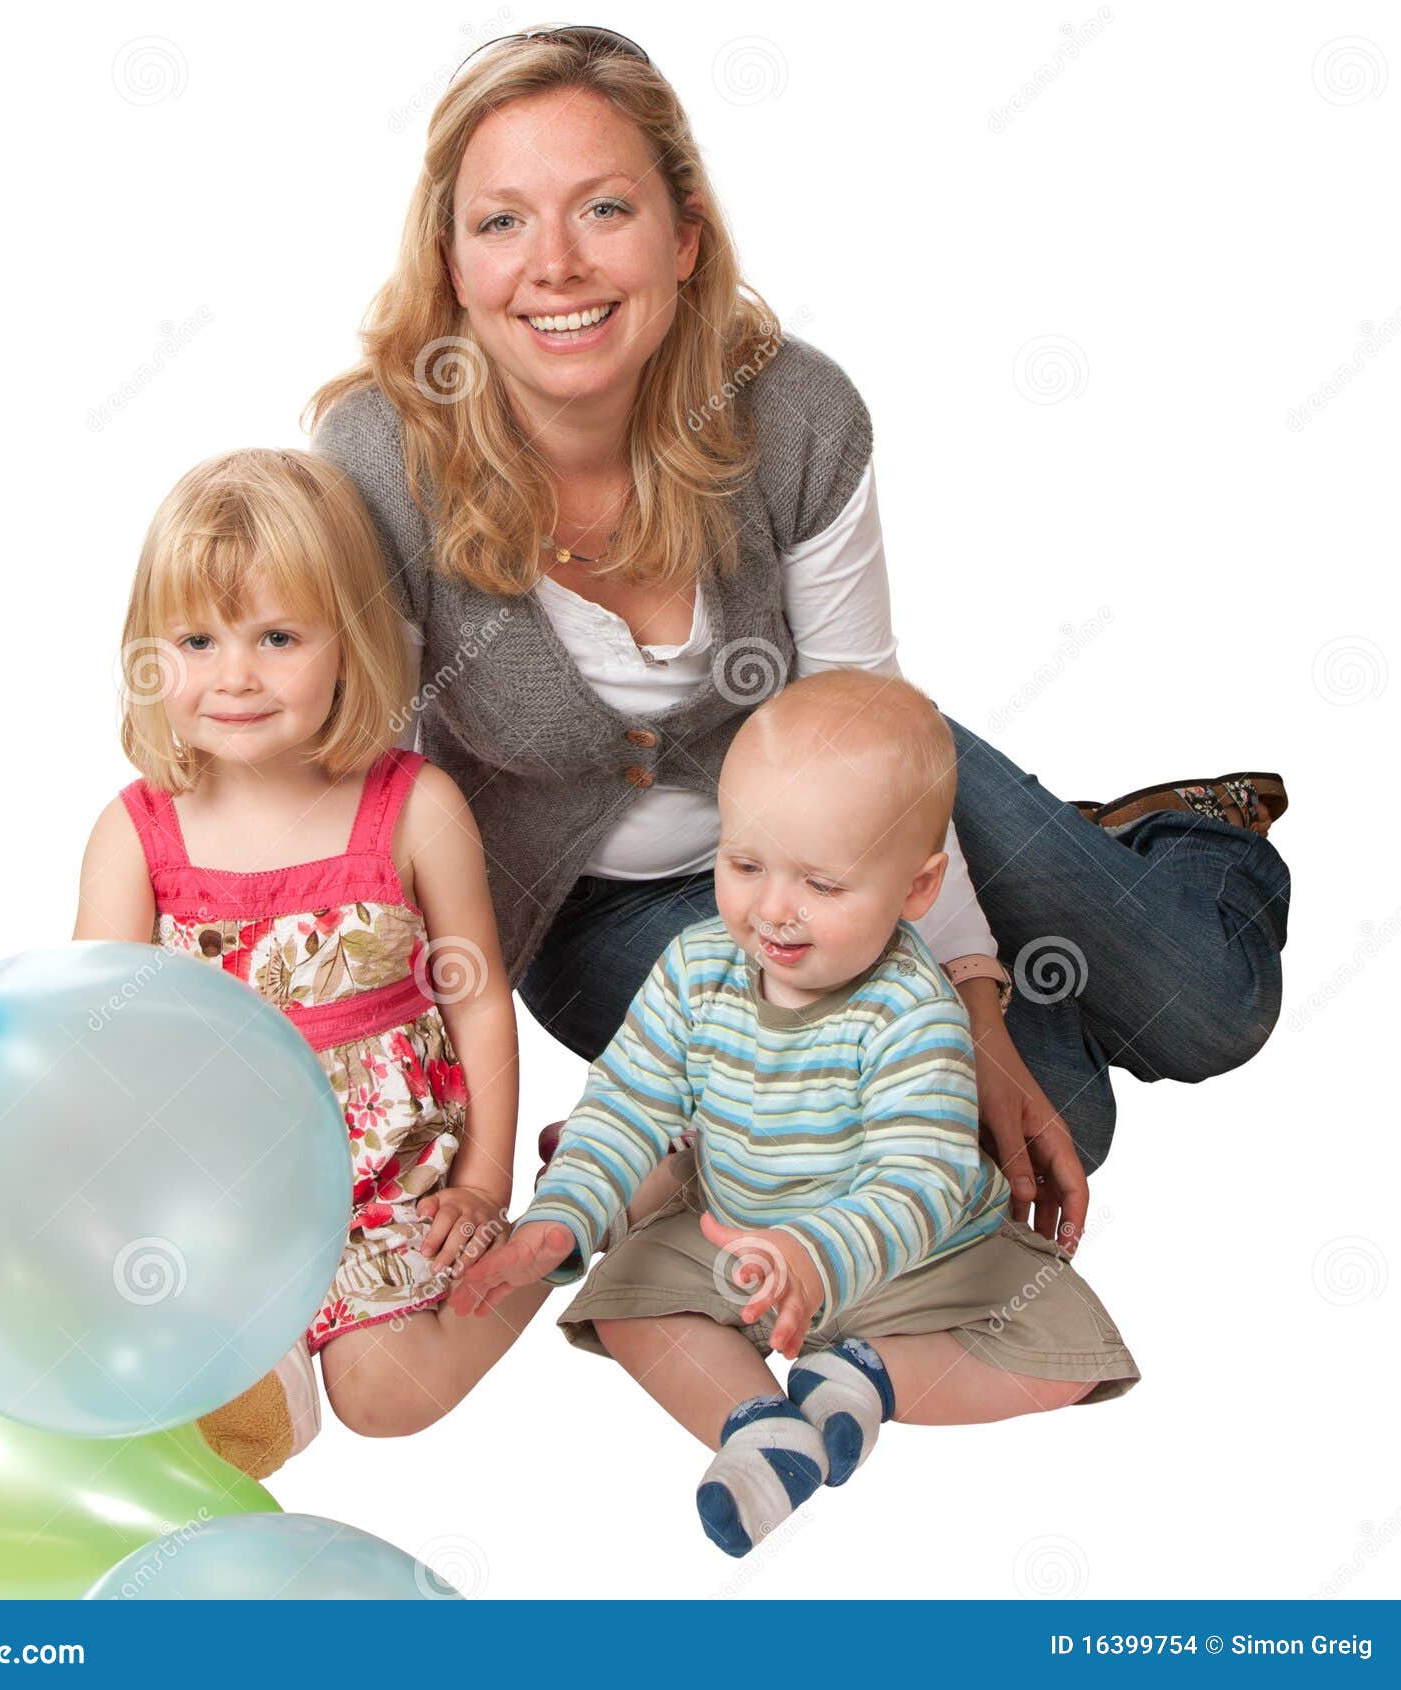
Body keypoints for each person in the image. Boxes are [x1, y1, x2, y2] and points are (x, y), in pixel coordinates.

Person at [307, 26, 1291, 1253]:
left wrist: (975, 997)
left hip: (862, 780)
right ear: (452, 261)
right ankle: (1051, 906)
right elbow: (365, 805)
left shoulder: (790, 412)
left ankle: (1172, 840)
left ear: (683, 238)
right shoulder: (378, 458)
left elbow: (865, 704)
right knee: (1049, 1124)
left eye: (603, 209)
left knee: (1207, 1006)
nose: (553, 264)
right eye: (501, 221)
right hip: (601, 912)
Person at [451, 671, 1139, 1557]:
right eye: (744, 866)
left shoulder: (911, 1010)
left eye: (822, 883)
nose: (774, 909)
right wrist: (561, 1217)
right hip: (736, 1229)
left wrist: (815, 1256)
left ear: (918, 889)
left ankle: (868, 1376)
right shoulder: (696, 968)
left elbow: (919, 1182)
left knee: (1057, 1350)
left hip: (906, 1253)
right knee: (621, 1303)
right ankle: (760, 1429)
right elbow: (626, 1103)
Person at [71, 446, 553, 1476]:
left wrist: (484, 1181)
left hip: (389, 1180)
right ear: (150, 656)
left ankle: (551, 1250)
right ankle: (255, 1365)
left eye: (278, 637)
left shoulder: (412, 808)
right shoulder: (137, 834)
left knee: (384, 1395)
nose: (234, 675)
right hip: (215, 1195)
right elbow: (96, 1042)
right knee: (143, 1354)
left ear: (351, 643)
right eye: (196, 640)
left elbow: (477, 1003)